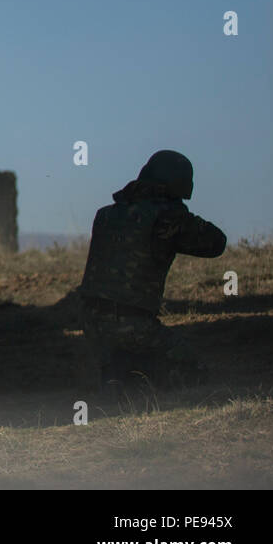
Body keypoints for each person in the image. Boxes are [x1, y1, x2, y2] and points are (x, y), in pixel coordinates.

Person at [79, 149, 227, 389]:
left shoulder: (106, 214)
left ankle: (120, 373)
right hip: (133, 324)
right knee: (194, 373)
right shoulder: (166, 216)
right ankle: (134, 379)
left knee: (129, 361)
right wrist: (180, 214)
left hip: (91, 321)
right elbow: (216, 243)